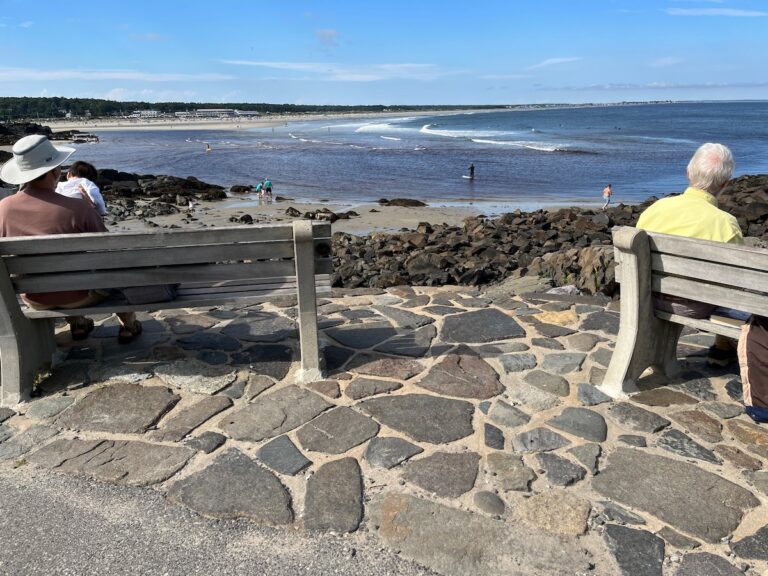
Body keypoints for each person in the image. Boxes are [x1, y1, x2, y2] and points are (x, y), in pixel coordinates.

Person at [0, 135, 141, 343]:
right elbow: (109, 249)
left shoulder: (3, 208)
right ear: (56, 171)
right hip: (80, 297)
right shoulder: (78, 207)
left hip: (34, 299)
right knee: (114, 269)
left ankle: (78, 324)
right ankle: (128, 325)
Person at [636, 142, 742, 366]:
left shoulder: (655, 209)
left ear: (688, 173)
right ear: (726, 183)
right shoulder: (726, 224)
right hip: (695, 306)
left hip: (648, 297)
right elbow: (736, 281)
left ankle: (722, 348)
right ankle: (722, 347)